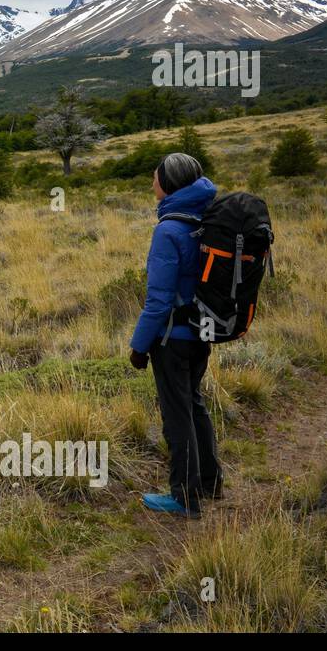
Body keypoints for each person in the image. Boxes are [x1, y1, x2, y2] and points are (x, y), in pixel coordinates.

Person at [128, 152, 223, 518]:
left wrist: (139, 347)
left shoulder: (168, 229)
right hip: (202, 330)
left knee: (177, 415)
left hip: (172, 338)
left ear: (169, 184)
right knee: (195, 404)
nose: (152, 183)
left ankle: (184, 497)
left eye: (155, 177)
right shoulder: (205, 218)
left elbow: (159, 300)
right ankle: (211, 482)